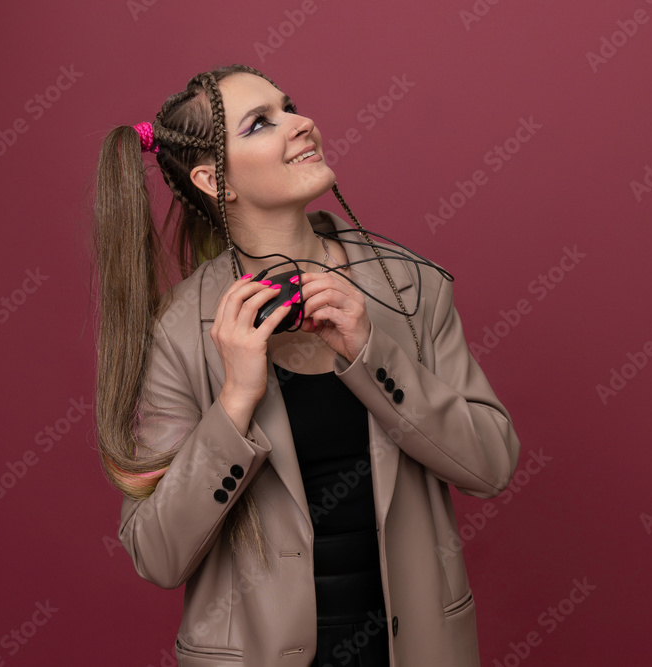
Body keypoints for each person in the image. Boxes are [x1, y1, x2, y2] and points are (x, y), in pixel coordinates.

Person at [92, 64, 521, 667]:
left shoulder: (410, 288)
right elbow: (157, 554)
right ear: (215, 180)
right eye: (263, 122)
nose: (303, 123)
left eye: (290, 106)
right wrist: (235, 403)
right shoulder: (178, 333)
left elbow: (493, 465)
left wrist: (374, 354)